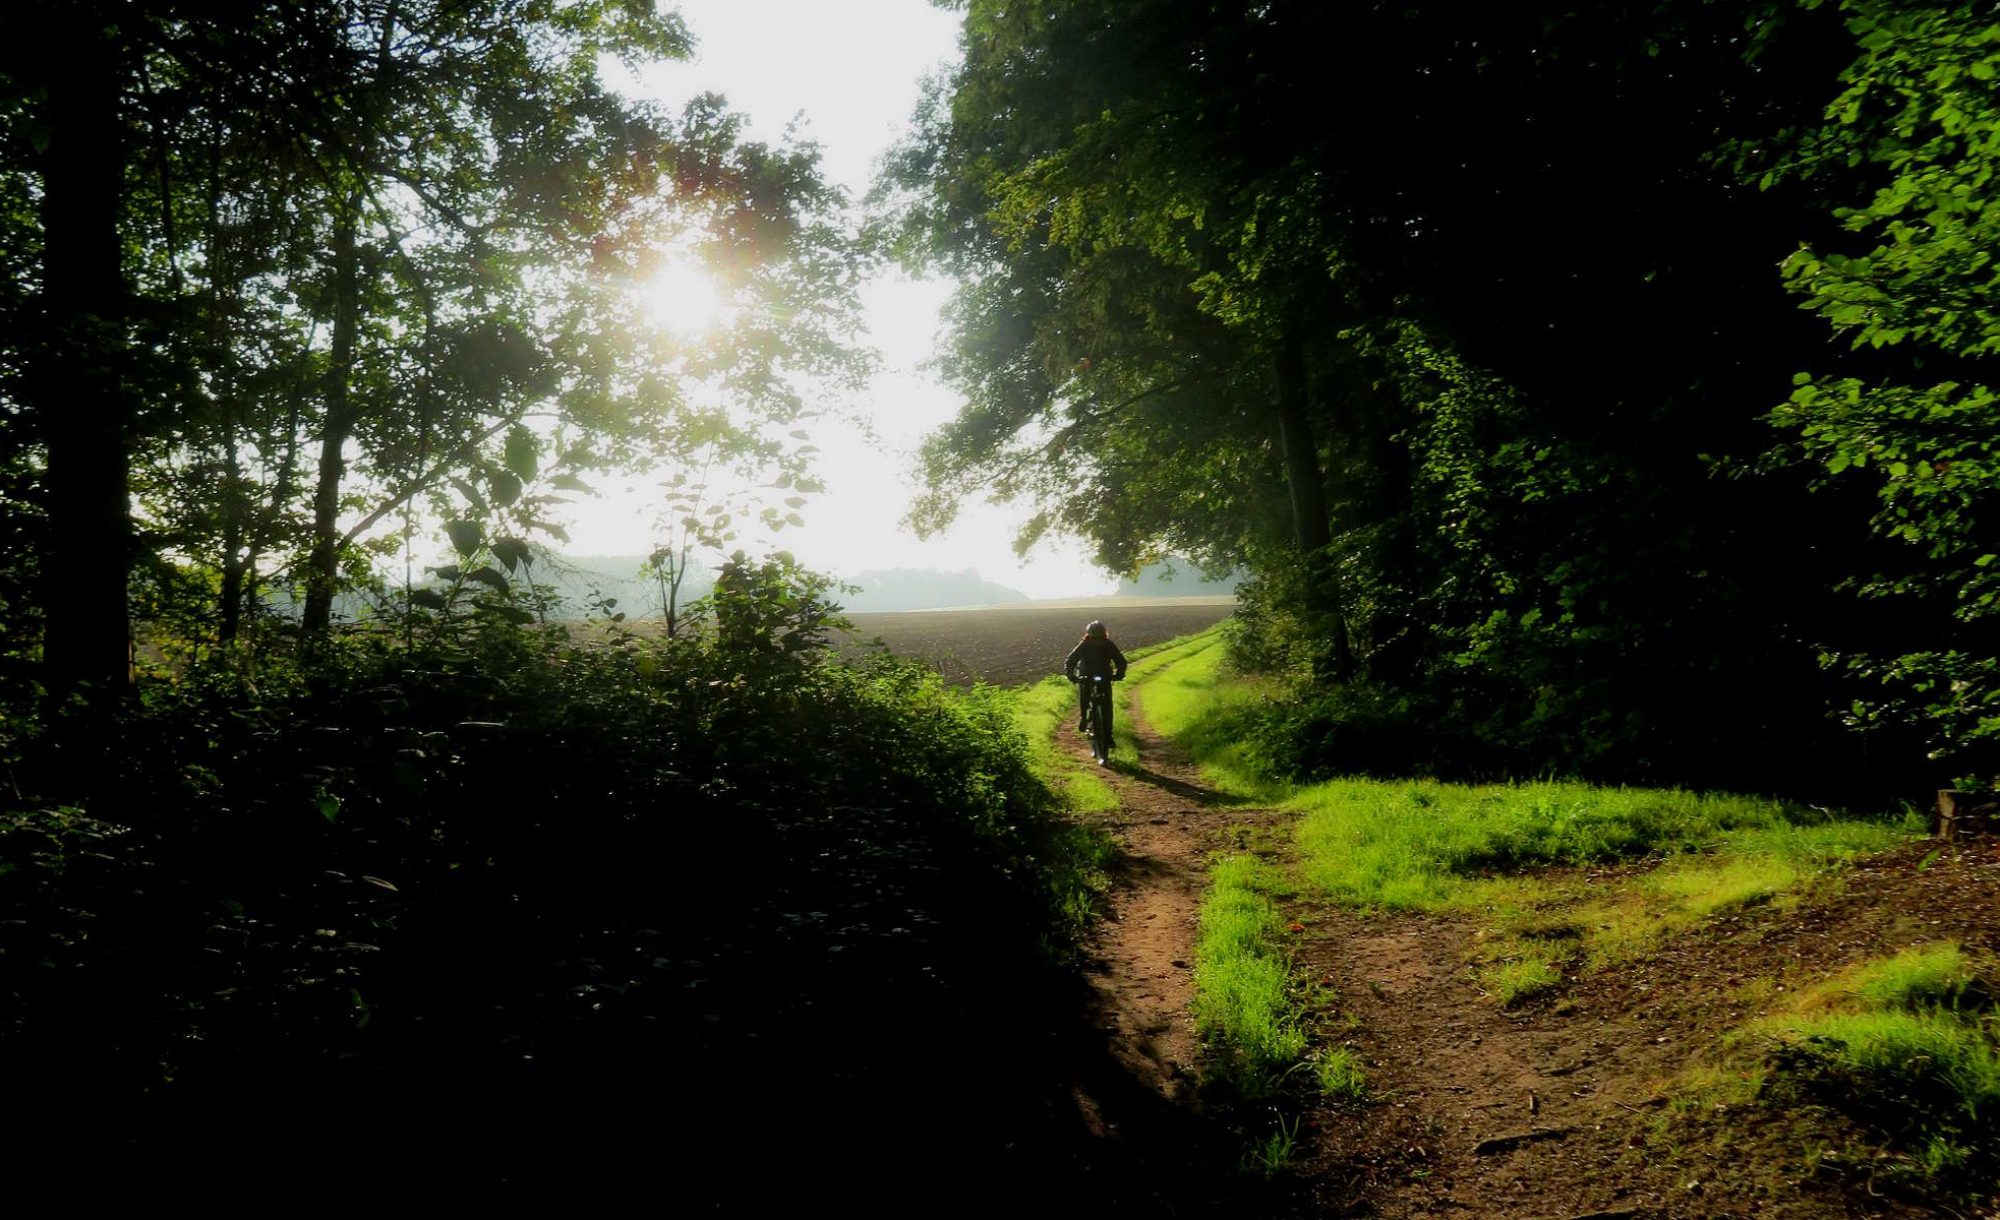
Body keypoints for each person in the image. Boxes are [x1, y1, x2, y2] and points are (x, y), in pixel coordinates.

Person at [1064, 619, 1128, 732]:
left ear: (1105, 636)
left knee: (1108, 706)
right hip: (1086, 675)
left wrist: (1119, 674)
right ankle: (1083, 718)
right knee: (1084, 696)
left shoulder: (1109, 644)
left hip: (1104, 675)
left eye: (1100, 638)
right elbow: (1070, 660)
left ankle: (1108, 735)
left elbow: (1120, 661)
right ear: (1089, 636)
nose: (1097, 641)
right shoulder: (1084, 645)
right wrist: (1071, 675)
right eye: (1095, 638)